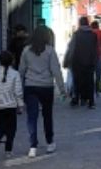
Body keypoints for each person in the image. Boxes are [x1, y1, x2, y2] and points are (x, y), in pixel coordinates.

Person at [19, 25, 66, 158]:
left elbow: (21, 70)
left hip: (30, 86)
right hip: (46, 86)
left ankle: (32, 146)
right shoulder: (50, 51)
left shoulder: (26, 50)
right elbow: (56, 70)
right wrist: (62, 89)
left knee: (32, 117)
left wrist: (18, 87)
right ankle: (50, 142)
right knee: (47, 115)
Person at [0, 50, 23, 158]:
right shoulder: (15, 74)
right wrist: (20, 105)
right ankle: (8, 151)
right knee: (11, 129)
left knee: (0, 127)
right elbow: (18, 91)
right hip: (11, 106)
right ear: (12, 61)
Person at [64, 17, 99, 108]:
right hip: (90, 62)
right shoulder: (93, 35)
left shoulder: (76, 34)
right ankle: (90, 101)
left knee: (77, 81)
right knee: (89, 82)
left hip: (77, 62)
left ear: (80, 24)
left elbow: (71, 48)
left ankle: (76, 99)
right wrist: (95, 61)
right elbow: (95, 50)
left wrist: (67, 60)